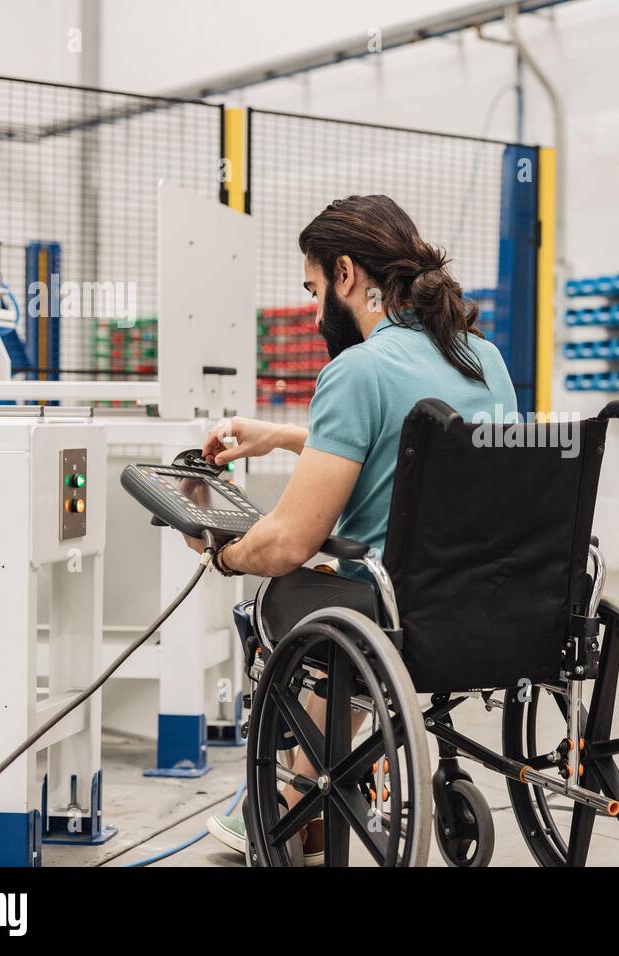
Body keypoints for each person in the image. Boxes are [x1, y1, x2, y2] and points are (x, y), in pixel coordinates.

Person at [195, 195, 517, 863]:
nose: (316, 314)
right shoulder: (485, 360)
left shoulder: (356, 371)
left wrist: (223, 555)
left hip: (393, 612)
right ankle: (308, 793)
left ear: (345, 275)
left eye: (314, 291)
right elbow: (409, 445)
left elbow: (288, 541)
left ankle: (292, 791)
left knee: (290, 596)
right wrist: (285, 437)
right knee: (349, 597)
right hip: (494, 604)